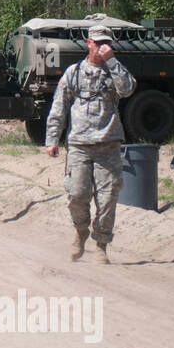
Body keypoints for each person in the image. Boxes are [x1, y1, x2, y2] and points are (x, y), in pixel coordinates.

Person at [45, 23, 136, 263]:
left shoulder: (114, 71)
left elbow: (128, 89)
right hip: (79, 146)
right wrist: (52, 139)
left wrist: (113, 61)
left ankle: (101, 245)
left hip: (108, 144)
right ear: (89, 43)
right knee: (77, 194)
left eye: (107, 43)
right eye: (99, 43)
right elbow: (59, 106)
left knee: (108, 198)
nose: (103, 47)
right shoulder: (73, 72)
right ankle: (80, 230)